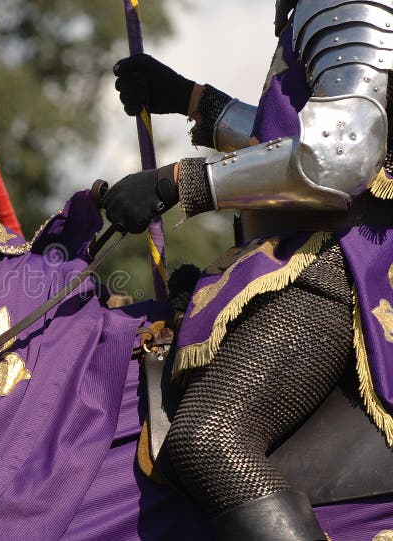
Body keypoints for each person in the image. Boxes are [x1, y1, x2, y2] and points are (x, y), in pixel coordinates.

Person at [102, 1, 393, 539]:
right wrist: (193, 101)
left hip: (344, 264)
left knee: (210, 440)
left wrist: (179, 181)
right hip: (307, 252)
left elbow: (338, 157)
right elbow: (298, 134)